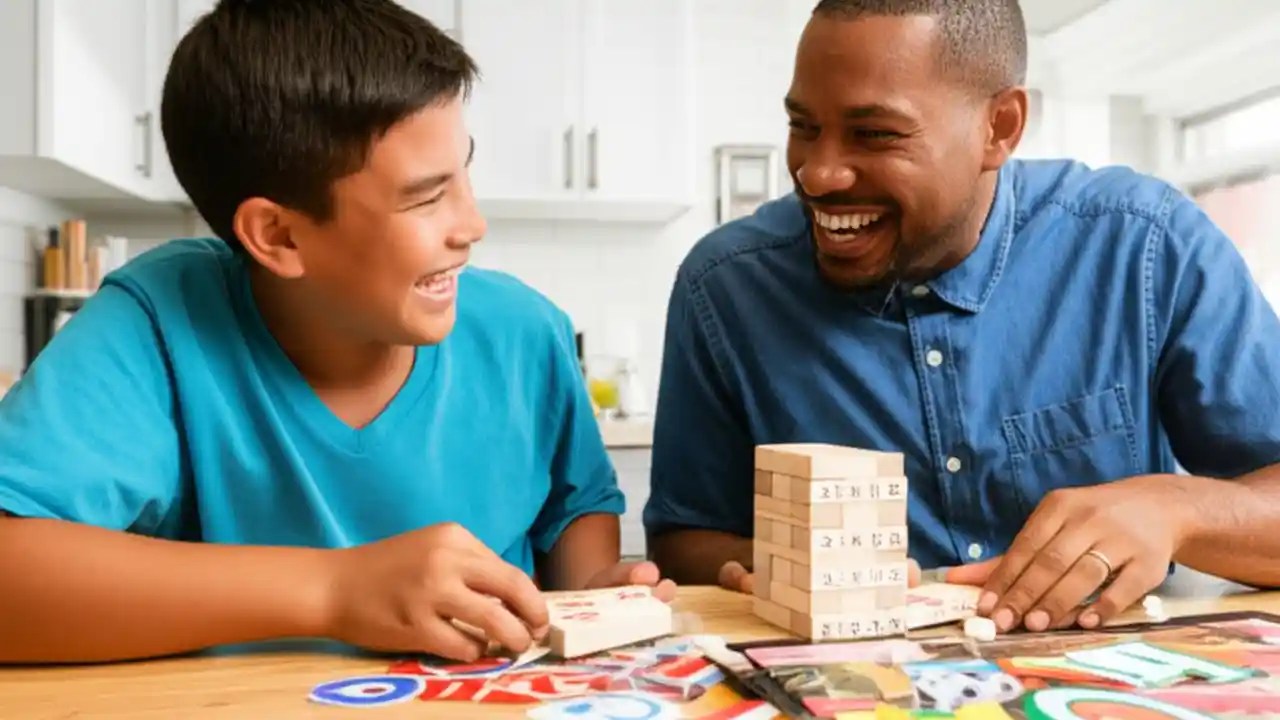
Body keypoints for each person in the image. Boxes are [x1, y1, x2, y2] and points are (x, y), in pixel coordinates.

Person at [0, 0, 671, 665]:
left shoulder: (525, 331)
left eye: (464, 172)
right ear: (280, 235)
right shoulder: (160, 321)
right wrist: (336, 590)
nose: (471, 224)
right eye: (426, 197)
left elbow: (574, 505)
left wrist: (587, 596)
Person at [644, 0, 1280, 635]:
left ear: (999, 127)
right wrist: (782, 567)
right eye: (804, 126)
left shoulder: (1145, 246)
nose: (819, 172)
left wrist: (1177, 510)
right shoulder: (725, 287)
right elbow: (685, 537)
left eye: (875, 133)